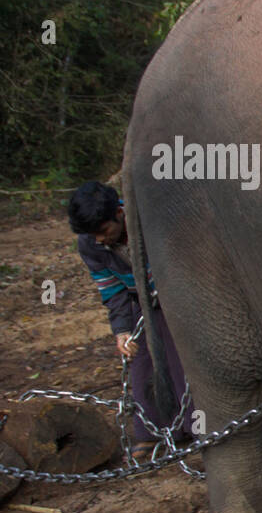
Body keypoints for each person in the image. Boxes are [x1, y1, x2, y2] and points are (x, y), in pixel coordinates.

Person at [67, 180, 194, 460]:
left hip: (177, 295)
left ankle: (195, 426)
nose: (100, 240)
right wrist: (122, 330)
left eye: (104, 231)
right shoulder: (90, 243)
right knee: (139, 360)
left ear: (119, 214)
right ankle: (152, 432)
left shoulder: (150, 220)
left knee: (178, 356)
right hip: (138, 300)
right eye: (93, 235)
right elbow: (111, 288)